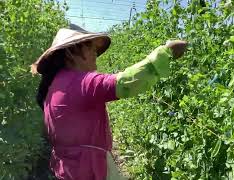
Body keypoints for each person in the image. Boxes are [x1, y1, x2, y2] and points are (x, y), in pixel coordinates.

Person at [30, 24, 187, 180]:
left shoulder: (55, 85)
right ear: (71, 52)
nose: (95, 53)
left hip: (68, 169)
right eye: (90, 47)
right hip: (89, 171)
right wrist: (166, 52)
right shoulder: (80, 83)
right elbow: (127, 83)